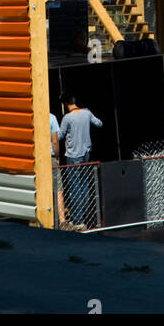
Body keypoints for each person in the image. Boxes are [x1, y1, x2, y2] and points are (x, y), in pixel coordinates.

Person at [59, 95, 103, 228]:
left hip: (73, 156)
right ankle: (86, 213)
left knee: (75, 188)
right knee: (84, 185)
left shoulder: (67, 118)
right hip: (86, 155)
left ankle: (78, 220)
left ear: (66, 104)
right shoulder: (86, 113)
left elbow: (60, 135)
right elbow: (99, 123)